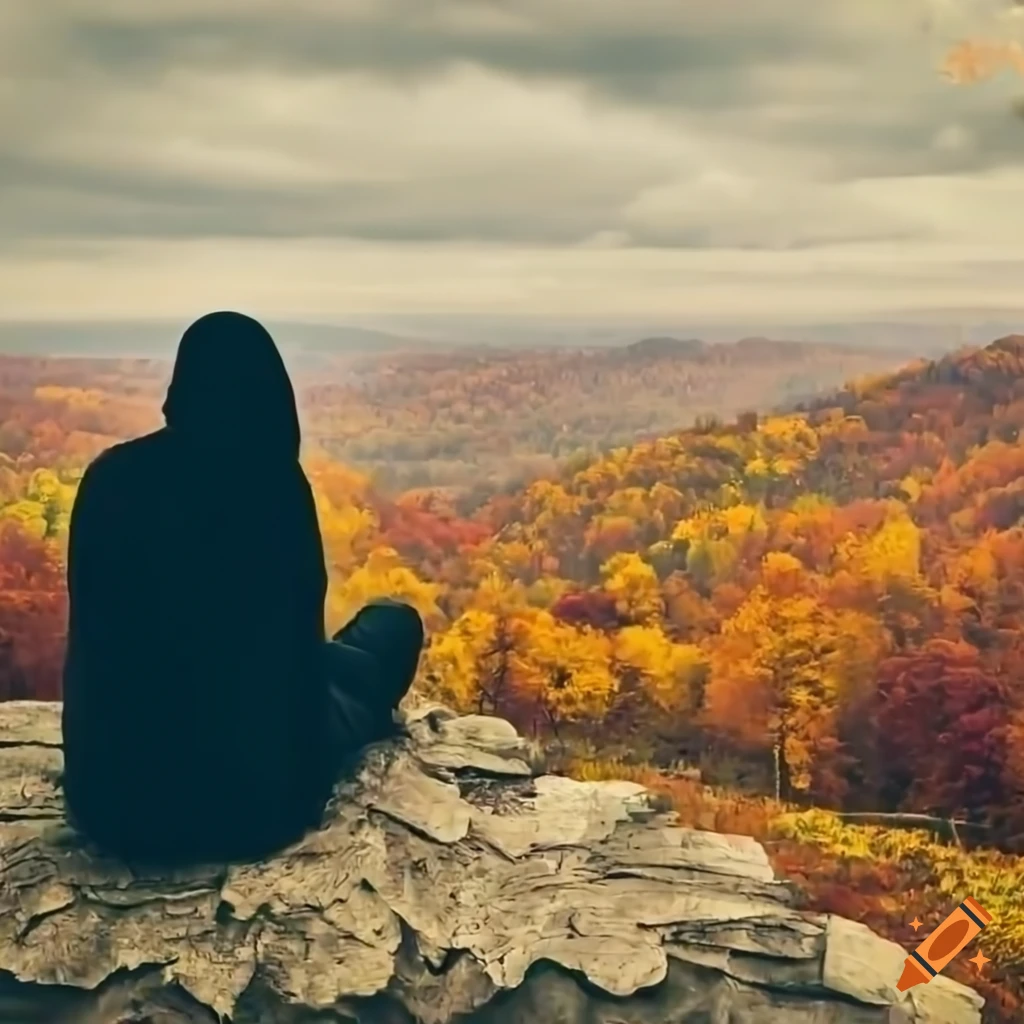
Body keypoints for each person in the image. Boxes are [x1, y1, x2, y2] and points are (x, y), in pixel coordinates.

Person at [61, 311, 424, 865]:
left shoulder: (111, 479)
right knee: (393, 623)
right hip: (253, 809)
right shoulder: (275, 486)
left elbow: (94, 645)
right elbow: (298, 664)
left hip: (111, 806)